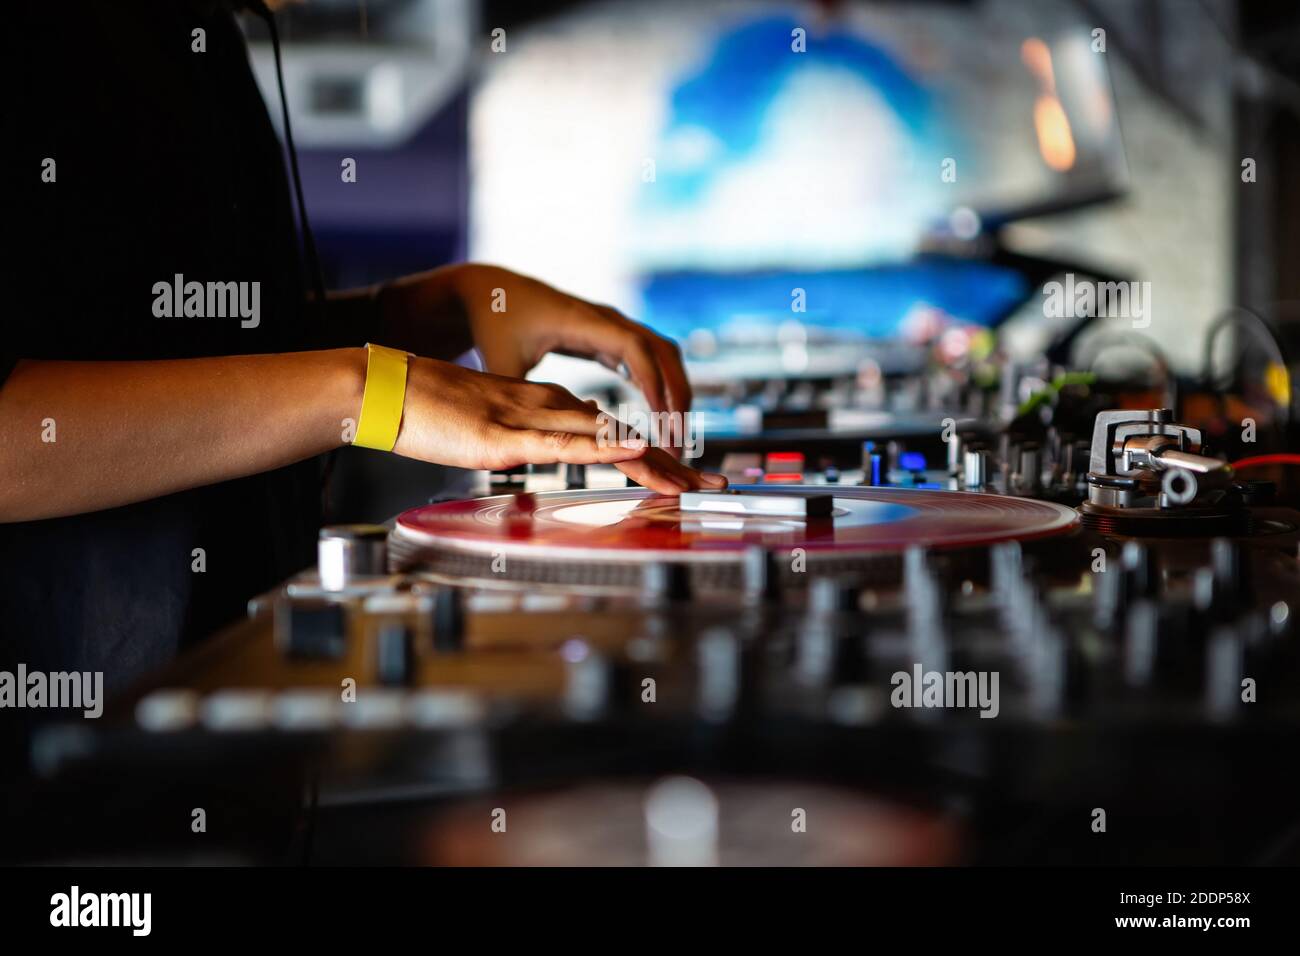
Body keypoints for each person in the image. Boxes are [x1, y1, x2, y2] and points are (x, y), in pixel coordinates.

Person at [0, 1, 723, 690]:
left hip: (229, 698)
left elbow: (185, 348)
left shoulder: (201, 32)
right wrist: (372, 391)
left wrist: (433, 312)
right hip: (65, 749)